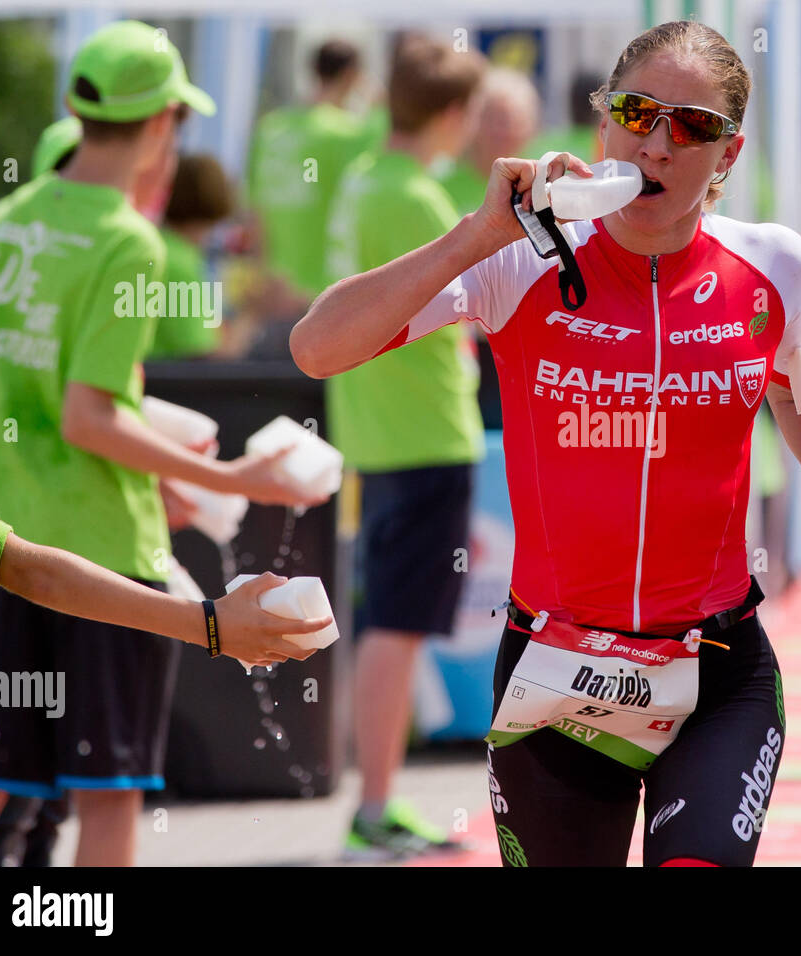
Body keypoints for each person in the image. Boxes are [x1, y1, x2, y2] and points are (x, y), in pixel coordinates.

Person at [292, 19, 801, 867]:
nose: (657, 144)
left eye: (691, 126)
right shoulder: (519, 261)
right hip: (557, 670)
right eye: (637, 112)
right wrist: (474, 237)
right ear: (602, 126)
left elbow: (797, 394)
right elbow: (317, 347)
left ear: (727, 157)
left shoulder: (773, 265)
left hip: (716, 667)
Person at [0, 19, 324, 868]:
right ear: (163, 123)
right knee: (108, 791)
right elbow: (91, 419)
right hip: (99, 549)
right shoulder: (127, 239)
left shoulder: (1, 224)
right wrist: (227, 472)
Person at [0, 496, 330, 865]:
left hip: (66, 563)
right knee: (108, 789)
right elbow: (33, 571)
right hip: (105, 561)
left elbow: (28, 570)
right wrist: (237, 479)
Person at [323, 31, 486, 861]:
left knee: (387, 620)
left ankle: (375, 801)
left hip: (374, 429)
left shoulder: (361, 181)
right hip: (422, 431)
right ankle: (375, 807)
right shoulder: (417, 196)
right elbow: (473, 311)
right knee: (395, 625)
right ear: (452, 114)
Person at [247, 39, 374, 306]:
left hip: (274, 285)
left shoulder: (272, 128)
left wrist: (262, 275)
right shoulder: (347, 133)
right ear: (353, 76)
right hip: (324, 289)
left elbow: (255, 212)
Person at [150, 153, 234, 359]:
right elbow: (205, 356)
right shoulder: (181, 263)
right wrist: (255, 312)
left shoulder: (158, 245)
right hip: (168, 387)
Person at [438, 68, 540, 217]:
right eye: (494, 119)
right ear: (472, 121)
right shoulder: (440, 188)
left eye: (514, 122)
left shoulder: (539, 188)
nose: (503, 132)